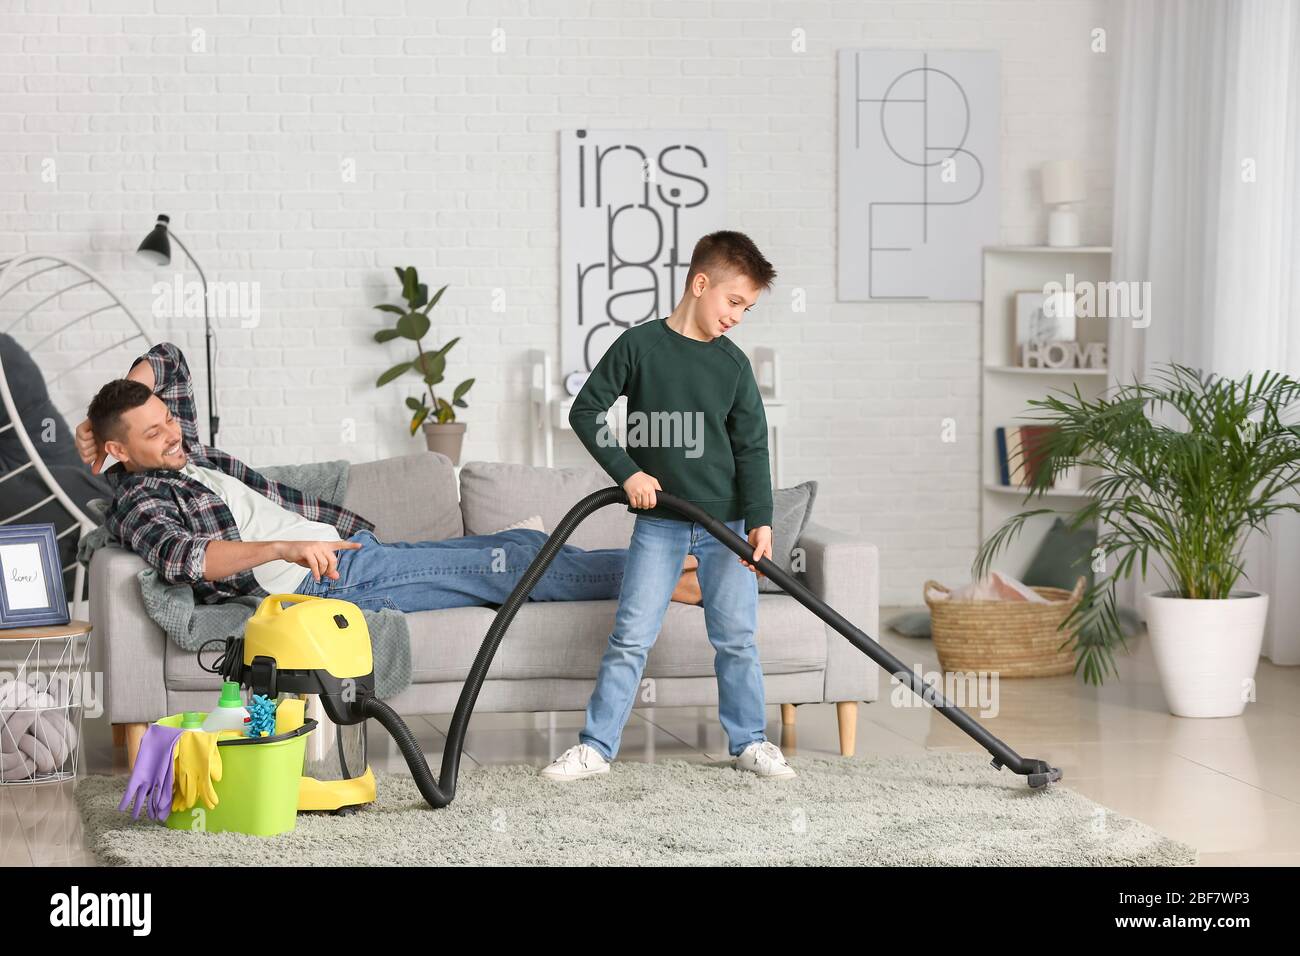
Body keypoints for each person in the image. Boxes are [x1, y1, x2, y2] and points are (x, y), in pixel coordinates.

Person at [76, 342, 702, 612]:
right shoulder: (137, 500)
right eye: (152, 434)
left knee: (516, 548)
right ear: (119, 452)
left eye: (166, 421)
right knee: (512, 563)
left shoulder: (187, 455)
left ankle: (650, 576)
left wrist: (116, 409)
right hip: (317, 583)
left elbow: (170, 360)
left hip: (349, 553)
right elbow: (187, 558)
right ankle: (654, 580)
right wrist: (285, 546)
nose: (171, 435)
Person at [542, 230, 796, 781]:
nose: (738, 317)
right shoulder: (640, 347)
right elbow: (586, 412)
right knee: (631, 635)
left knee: (736, 638)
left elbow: (753, 447)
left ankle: (750, 741)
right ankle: (596, 748)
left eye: (747, 309)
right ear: (700, 284)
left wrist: (762, 522)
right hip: (660, 524)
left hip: (725, 524)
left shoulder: (732, 366)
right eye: (734, 302)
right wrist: (627, 472)